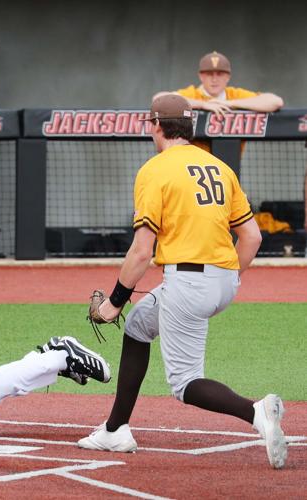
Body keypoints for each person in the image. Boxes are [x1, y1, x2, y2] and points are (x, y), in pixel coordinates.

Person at [77, 94, 287, 470]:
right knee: (139, 327)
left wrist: (115, 301)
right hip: (224, 279)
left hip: (188, 283)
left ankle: (257, 412)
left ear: (156, 125)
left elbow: (142, 252)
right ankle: (115, 429)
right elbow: (252, 237)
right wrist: (225, 279)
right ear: (189, 127)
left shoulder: (155, 170)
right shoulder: (218, 166)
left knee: (186, 384)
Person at [153, 51, 283, 150]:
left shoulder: (234, 95)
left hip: (228, 168)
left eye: (220, 74)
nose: (214, 79)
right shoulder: (192, 94)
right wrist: (203, 105)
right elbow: (158, 99)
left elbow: (275, 101)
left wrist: (230, 103)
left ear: (228, 77)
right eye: (209, 74)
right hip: (192, 169)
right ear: (201, 76)